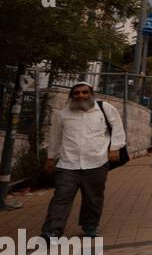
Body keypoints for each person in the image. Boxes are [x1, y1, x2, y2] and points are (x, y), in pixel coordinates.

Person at [41, 80, 124, 240]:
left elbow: (118, 127)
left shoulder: (104, 109)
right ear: (71, 95)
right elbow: (55, 137)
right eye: (77, 93)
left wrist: (115, 148)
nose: (81, 96)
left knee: (93, 198)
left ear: (91, 93)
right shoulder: (63, 114)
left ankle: (90, 226)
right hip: (68, 164)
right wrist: (51, 158)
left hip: (97, 162)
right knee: (61, 198)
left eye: (84, 92)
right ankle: (51, 231)